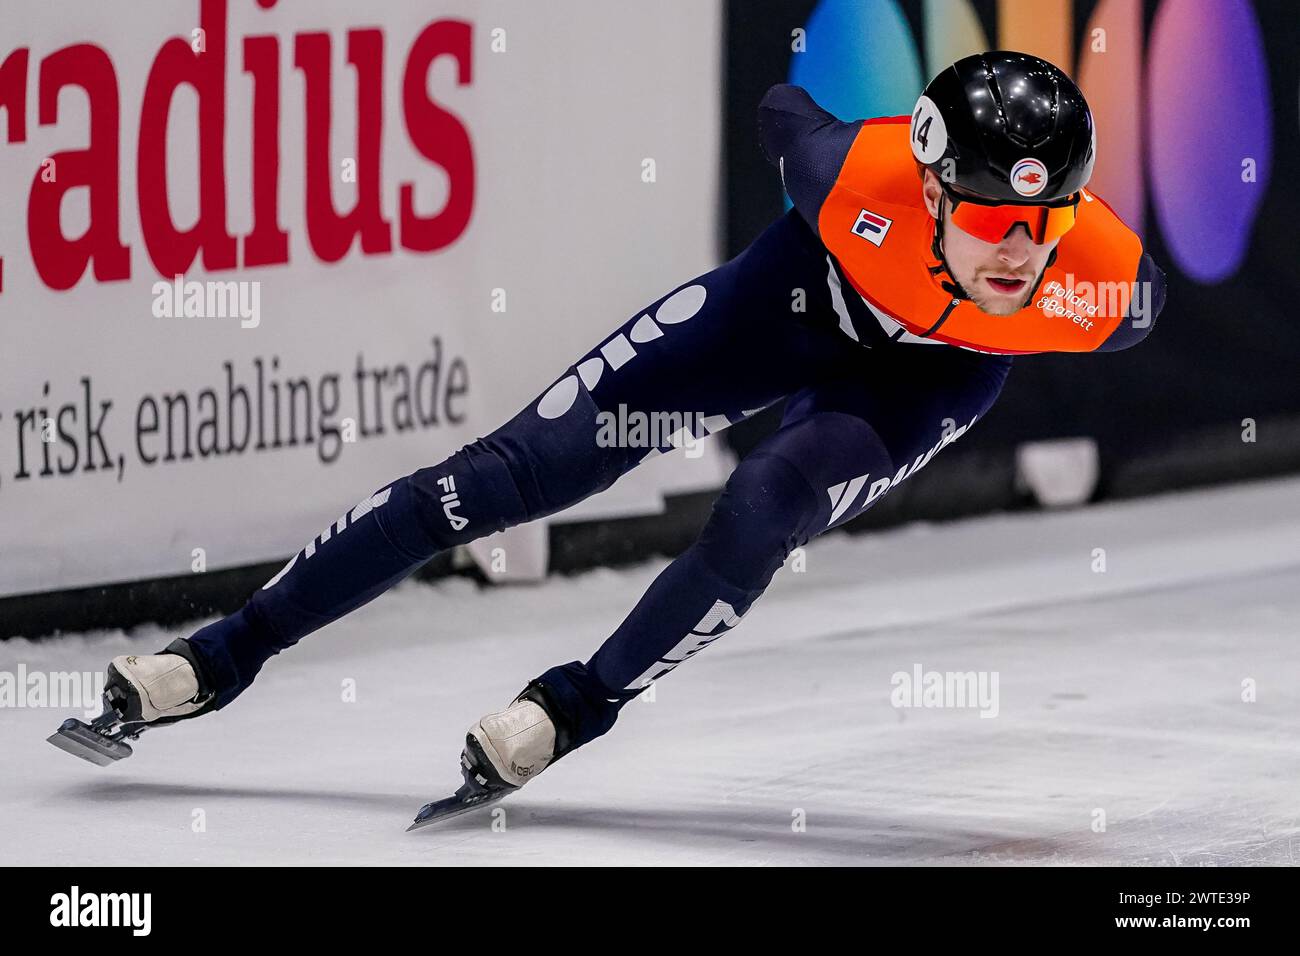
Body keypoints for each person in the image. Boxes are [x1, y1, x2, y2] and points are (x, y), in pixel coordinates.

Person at [62, 51, 1166, 816]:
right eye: (987, 216)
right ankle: (218, 655)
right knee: (504, 476)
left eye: (1044, 221)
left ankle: (576, 703)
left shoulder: (1101, 289)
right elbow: (783, 103)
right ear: (926, 185)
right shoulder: (840, 175)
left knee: (763, 504)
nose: (1020, 250)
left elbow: (1102, 281)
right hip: (784, 304)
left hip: (927, 380)